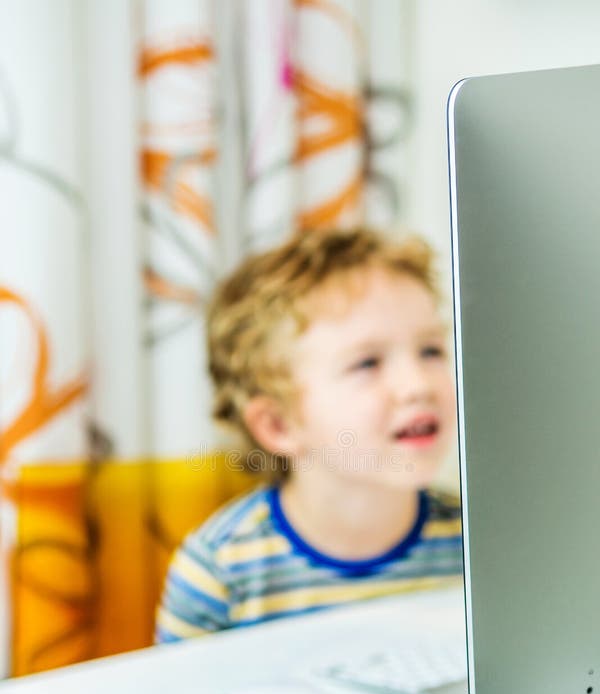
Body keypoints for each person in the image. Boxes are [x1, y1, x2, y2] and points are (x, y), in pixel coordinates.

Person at [155, 227, 462, 642]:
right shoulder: (220, 572)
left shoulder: (475, 543)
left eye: (431, 350)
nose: (418, 384)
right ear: (279, 425)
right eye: (367, 363)